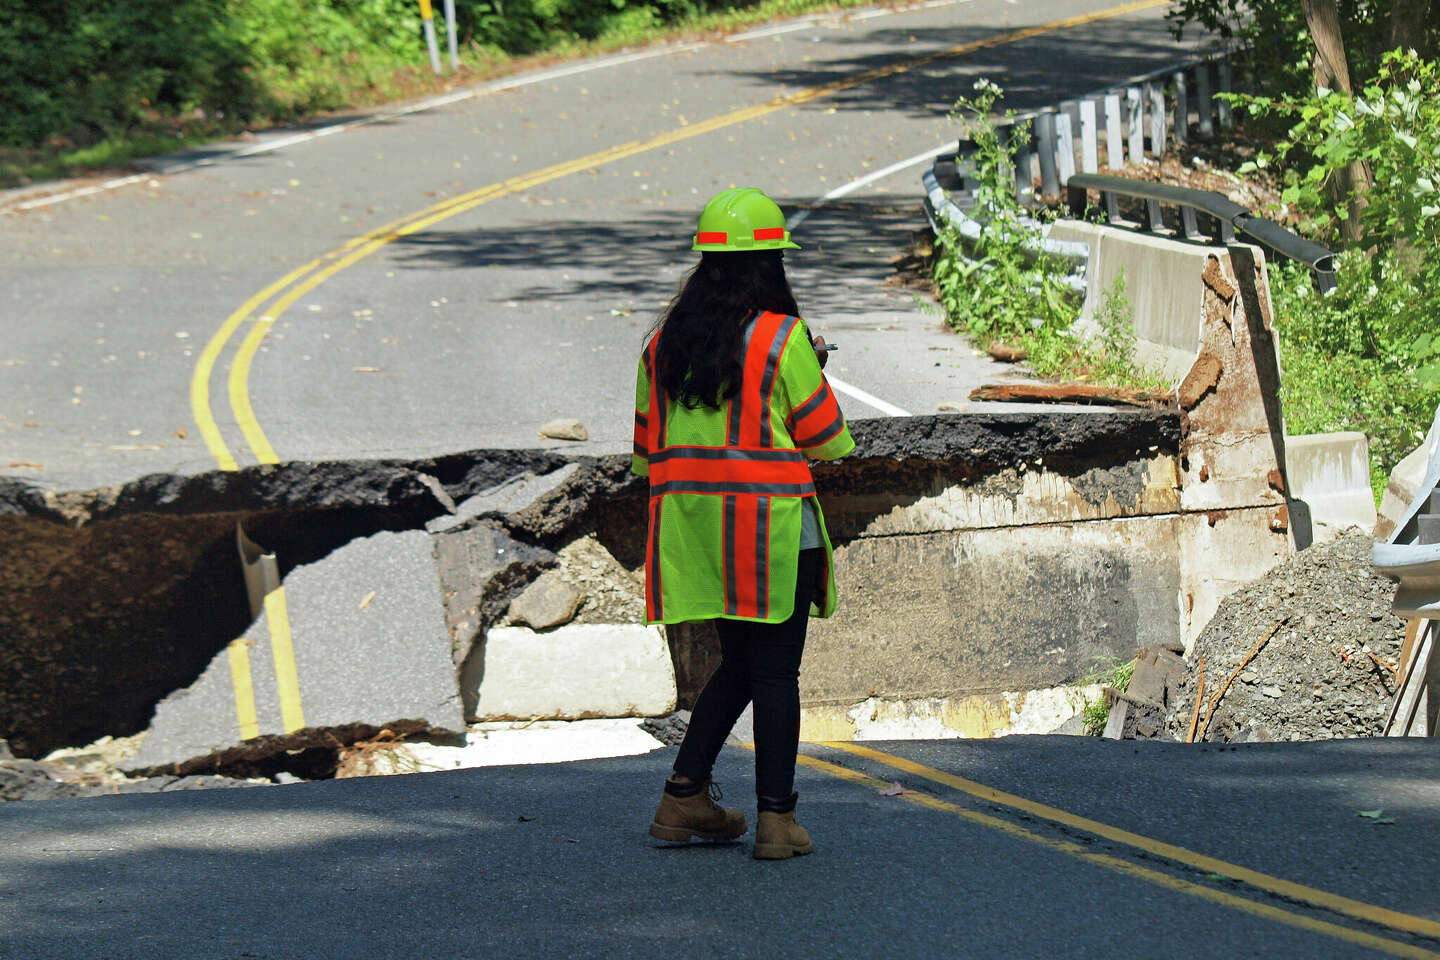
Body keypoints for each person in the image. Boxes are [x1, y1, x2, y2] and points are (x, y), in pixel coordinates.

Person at [631, 187, 854, 860]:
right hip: (772, 534)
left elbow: (646, 453)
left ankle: (684, 795)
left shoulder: (661, 347)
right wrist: (813, 368)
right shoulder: (782, 340)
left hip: (700, 537)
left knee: (740, 665)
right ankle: (776, 821)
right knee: (775, 675)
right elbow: (827, 440)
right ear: (770, 265)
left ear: (705, 265)